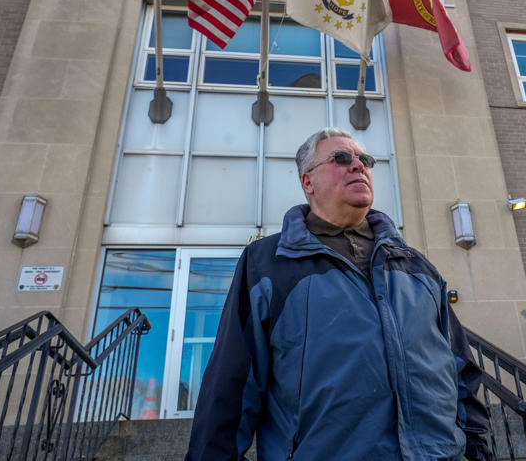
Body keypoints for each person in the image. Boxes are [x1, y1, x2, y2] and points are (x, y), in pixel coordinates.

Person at [185, 128, 493, 461]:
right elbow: (230, 386)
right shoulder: (266, 264)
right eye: (341, 158)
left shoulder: (417, 267)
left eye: (365, 160)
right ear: (308, 182)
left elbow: (461, 371)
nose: (358, 166)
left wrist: (479, 451)